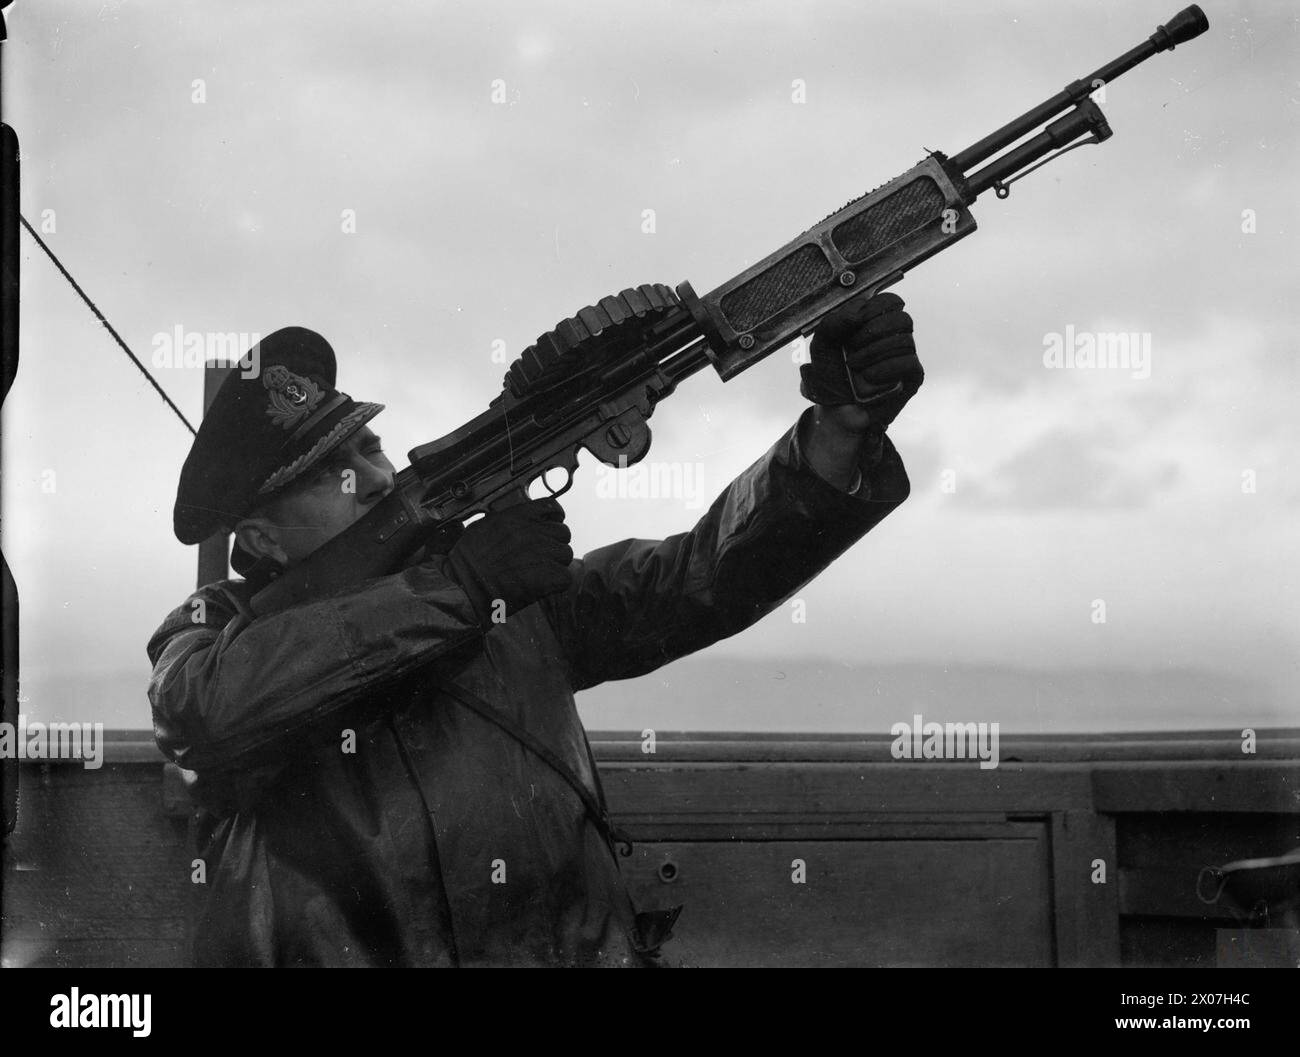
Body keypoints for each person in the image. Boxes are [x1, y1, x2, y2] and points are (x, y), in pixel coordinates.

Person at [146, 291, 922, 967]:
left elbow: (702, 578)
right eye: (334, 475)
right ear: (263, 540)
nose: (378, 479)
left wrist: (834, 436)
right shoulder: (214, 633)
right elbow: (206, 713)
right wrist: (460, 587)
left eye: (370, 446)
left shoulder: (513, 601)